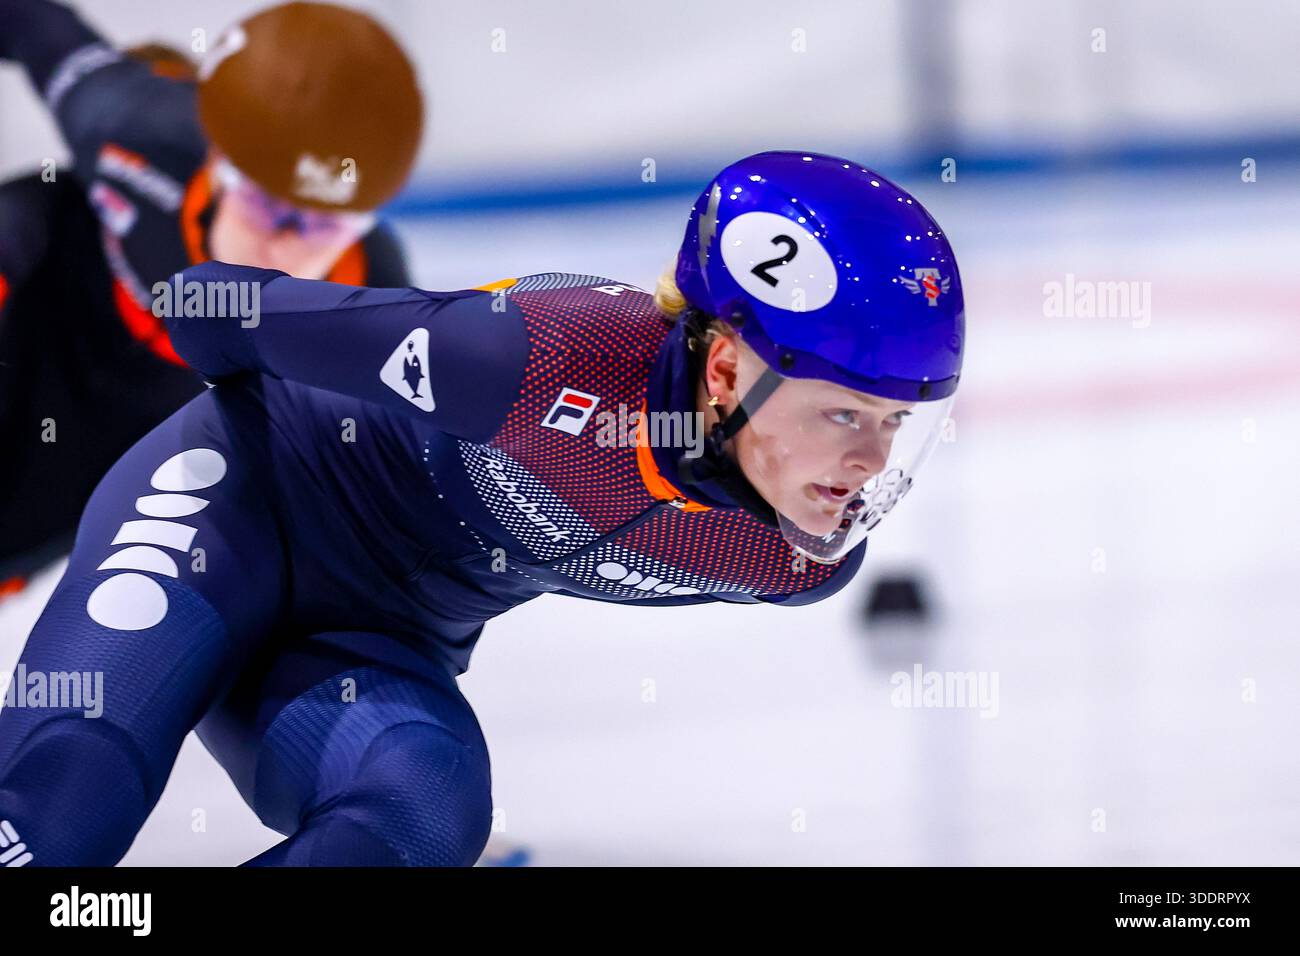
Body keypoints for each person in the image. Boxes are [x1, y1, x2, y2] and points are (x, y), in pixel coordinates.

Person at [0, 151, 965, 866]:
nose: (867, 462)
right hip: (227, 515)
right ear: (725, 371)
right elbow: (214, 304)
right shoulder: (536, 361)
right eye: (844, 413)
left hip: (369, 645)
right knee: (59, 809)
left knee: (423, 817)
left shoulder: (793, 559)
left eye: (897, 423)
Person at [0, 0, 422, 597]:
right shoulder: (131, 122)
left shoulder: (367, 281)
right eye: (266, 207)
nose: (285, 248)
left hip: (132, 434)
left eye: (327, 226)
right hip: (54, 325)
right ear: (218, 164)